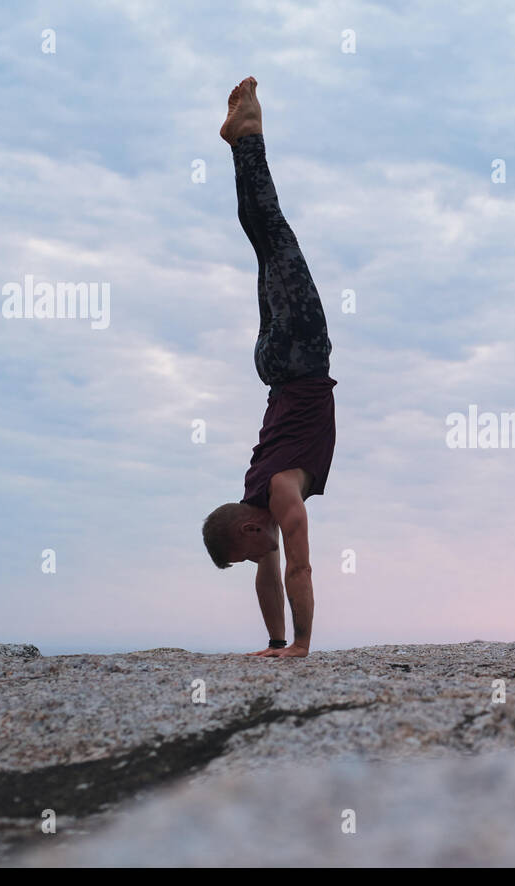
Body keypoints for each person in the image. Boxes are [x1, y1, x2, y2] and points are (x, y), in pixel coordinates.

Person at [201, 77, 335, 659]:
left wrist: (301, 645)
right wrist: (275, 642)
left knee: (273, 236)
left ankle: (247, 138)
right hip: (276, 366)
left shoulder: (279, 492)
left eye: (248, 551)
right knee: (265, 241)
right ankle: (242, 140)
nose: (259, 557)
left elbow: (297, 567)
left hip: (300, 355)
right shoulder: (259, 491)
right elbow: (273, 566)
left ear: (249, 528)